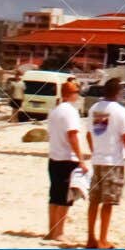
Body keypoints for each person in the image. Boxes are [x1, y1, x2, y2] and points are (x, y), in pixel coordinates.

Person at [86, 78, 125, 249]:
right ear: (118, 92)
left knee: (94, 201)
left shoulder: (94, 109)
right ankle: (102, 239)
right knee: (108, 202)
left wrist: (95, 150)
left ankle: (91, 238)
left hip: (97, 160)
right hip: (113, 162)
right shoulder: (121, 111)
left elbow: (89, 135)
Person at [46, 80, 88, 241]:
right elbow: (72, 136)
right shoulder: (70, 111)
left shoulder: (55, 111)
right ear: (72, 93)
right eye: (77, 91)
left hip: (54, 157)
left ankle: (52, 229)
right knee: (65, 197)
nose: (78, 94)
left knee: (54, 195)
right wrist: (81, 159)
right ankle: (58, 232)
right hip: (66, 158)